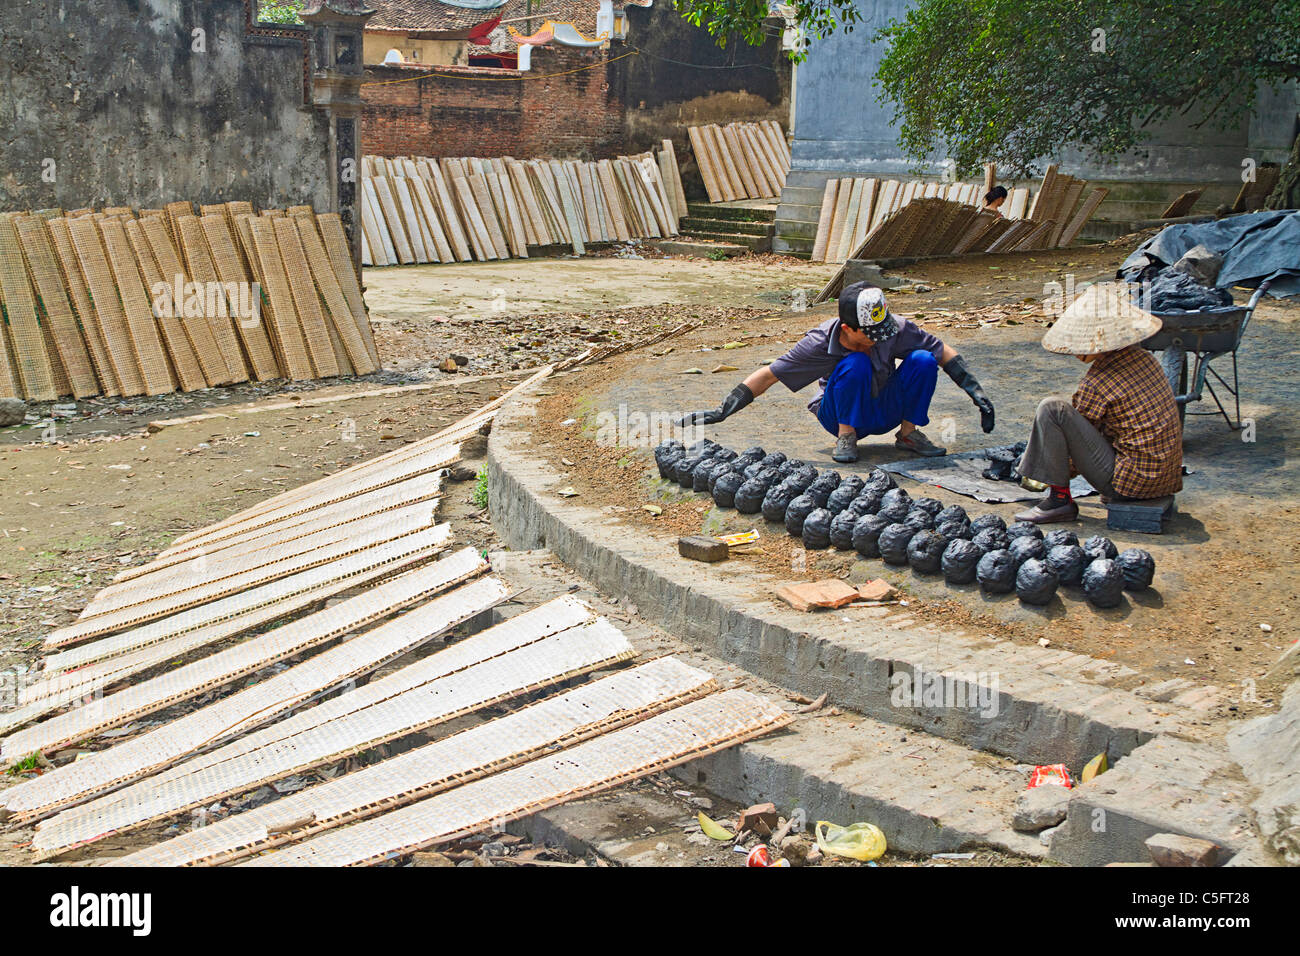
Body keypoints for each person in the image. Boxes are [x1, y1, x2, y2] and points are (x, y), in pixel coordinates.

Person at [677, 282, 996, 463]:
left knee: (924, 359)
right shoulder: (818, 342)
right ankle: (847, 438)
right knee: (854, 364)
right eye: (870, 334)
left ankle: (908, 435)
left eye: (882, 331)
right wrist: (722, 410)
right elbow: (769, 374)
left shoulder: (892, 328)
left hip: (883, 408)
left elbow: (944, 352)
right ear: (847, 328)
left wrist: (976, 392)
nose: (879, 338)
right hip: (838, 414)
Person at [1015, 283, 1183, 524]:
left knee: (1052, 409)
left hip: (1130, 483)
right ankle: (1052, 487)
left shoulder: (1097, 383)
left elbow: (1075, 444)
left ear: (1100, 340)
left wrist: (1046, 472)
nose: (1074, 350)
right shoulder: (1146, 359)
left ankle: (1059, 501)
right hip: (1164, 478)